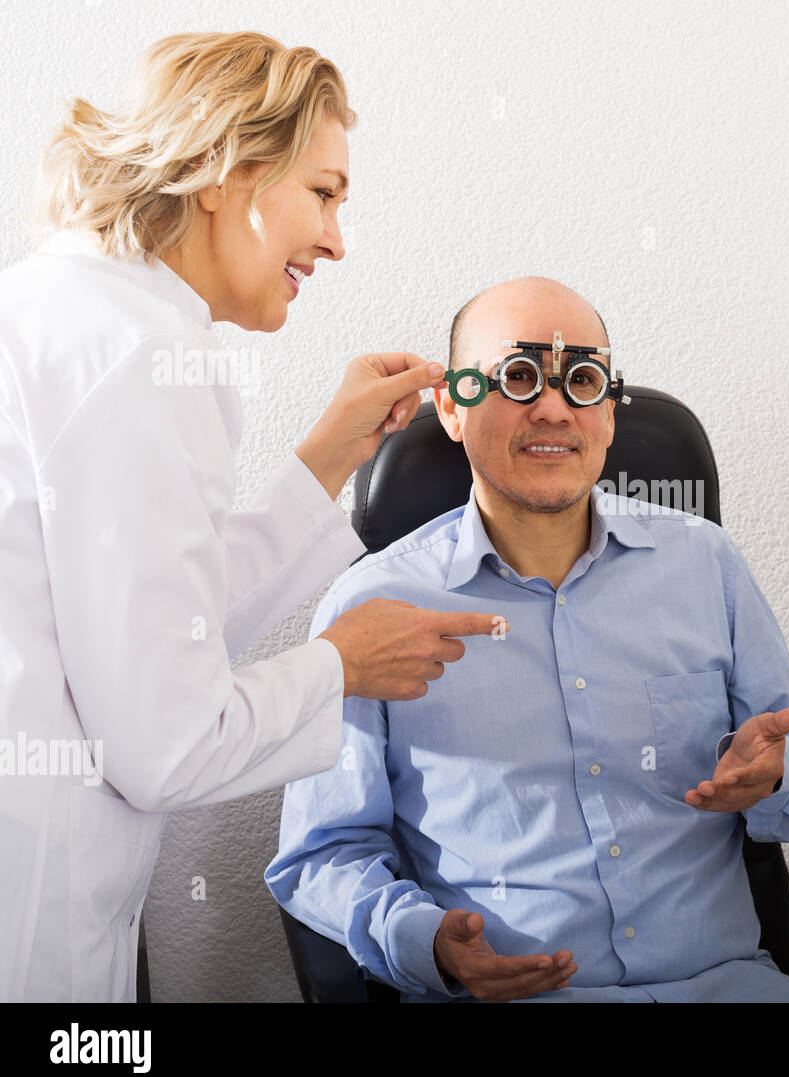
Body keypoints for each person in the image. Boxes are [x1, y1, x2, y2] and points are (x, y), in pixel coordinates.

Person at [0, 32, 501, 1002]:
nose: (337, 240)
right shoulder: (139, 358)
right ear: (225, 171)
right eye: (323, 193)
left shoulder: (68, 311)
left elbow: (151, 624)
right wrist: (342, 664)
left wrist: (327, 457)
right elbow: (165, 745)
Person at [268, 276, 789, 1002]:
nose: (553, 407)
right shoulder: (371, 609)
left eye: (582, 378)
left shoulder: (706, 565)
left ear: (607, 411)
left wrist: (783, 769)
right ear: (451, 406)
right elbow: (321, 855)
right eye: (517, 376)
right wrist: (426, 941)